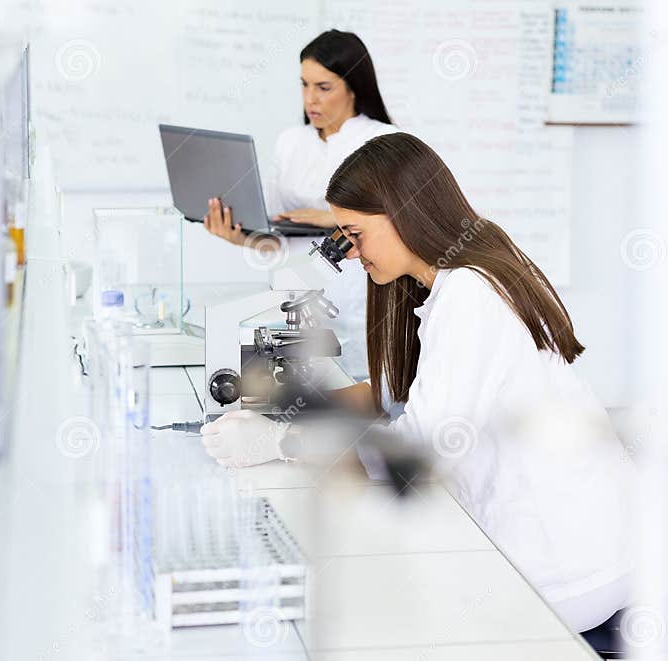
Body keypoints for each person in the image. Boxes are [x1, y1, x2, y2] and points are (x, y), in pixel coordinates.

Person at [200, 133, 635, 634]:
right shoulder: (448, 274)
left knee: (371, 613)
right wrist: (289, 403)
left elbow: (414, 455)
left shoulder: (471, 295)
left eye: (354, 235)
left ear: (403, 212)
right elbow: (392, 395)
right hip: (558, 537)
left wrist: (284, 441)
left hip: (564, 571)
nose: (351, 253)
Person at [204, 29, 396, 380]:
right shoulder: (291, 142)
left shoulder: (383, 141)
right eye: (304, 85)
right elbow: (277, 233)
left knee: (362, 401)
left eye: (324, 88)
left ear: (354, 87)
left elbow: (400, 224)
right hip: (293, 298)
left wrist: (327, 220)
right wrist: (240, 236)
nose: (311, 99)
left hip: (356, 300)